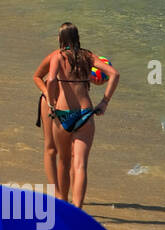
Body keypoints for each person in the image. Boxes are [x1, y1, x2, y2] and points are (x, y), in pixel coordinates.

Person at [32, 22, 117, 207]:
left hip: (63, 114)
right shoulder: (88, 56)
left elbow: (52, 78)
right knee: (80, 165)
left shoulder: (58, 56)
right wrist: (104, 102)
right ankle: (77, 209)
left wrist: (52, 102)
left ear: (60, 39)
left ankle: (62, 204)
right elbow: (114, 74)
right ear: (78, 37)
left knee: (63, 161)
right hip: (85, 113)